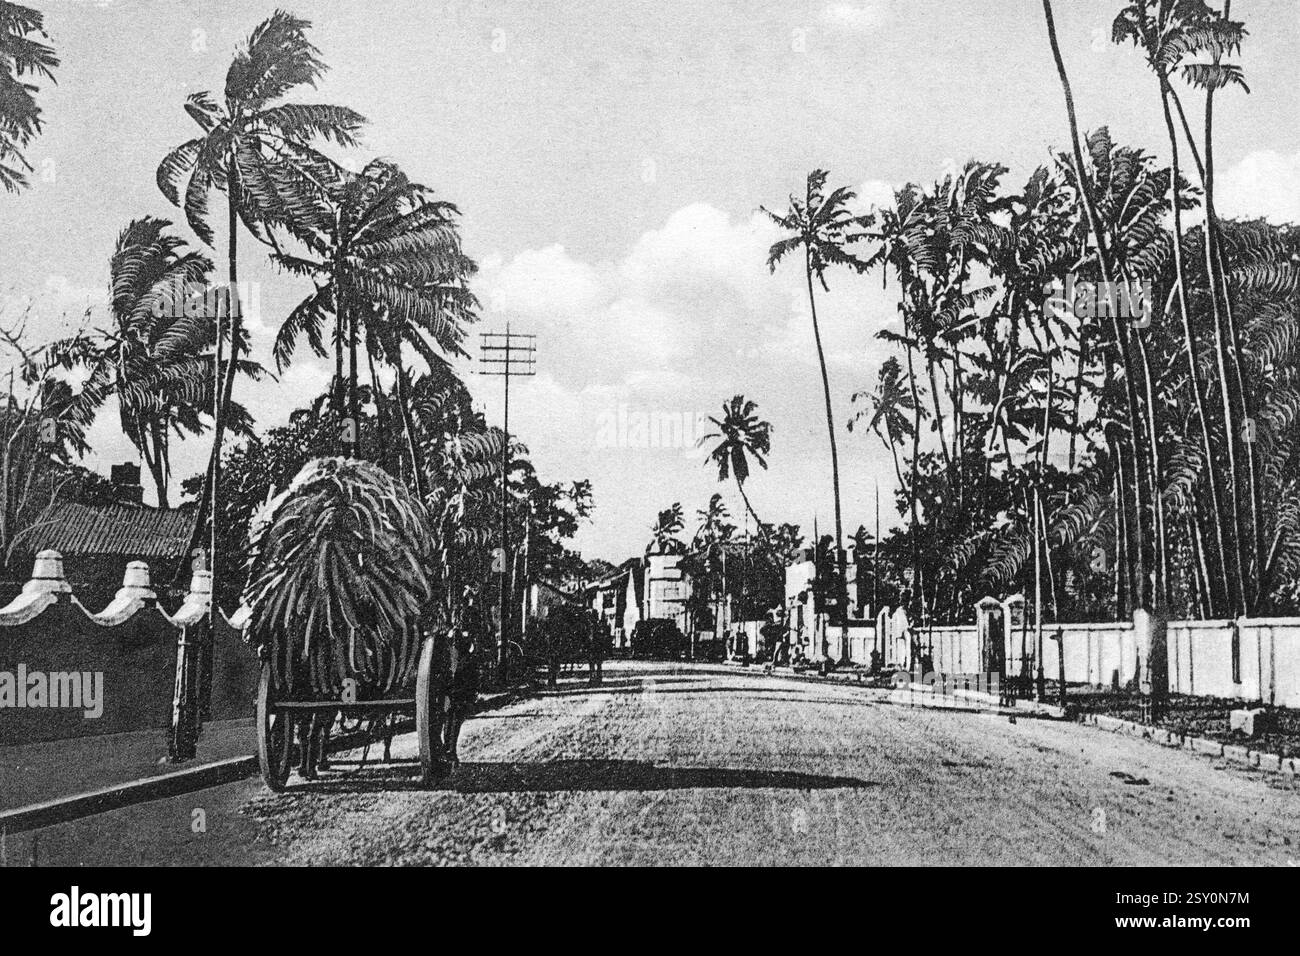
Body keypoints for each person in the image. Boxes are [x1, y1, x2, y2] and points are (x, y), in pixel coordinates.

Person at [445, 587, 482, 765]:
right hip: (461, 669)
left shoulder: (453, 612)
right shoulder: (468, 613)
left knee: (452, 712)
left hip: (456, 667)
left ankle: (449, 748)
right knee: (456, 712)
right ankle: (450, 750)